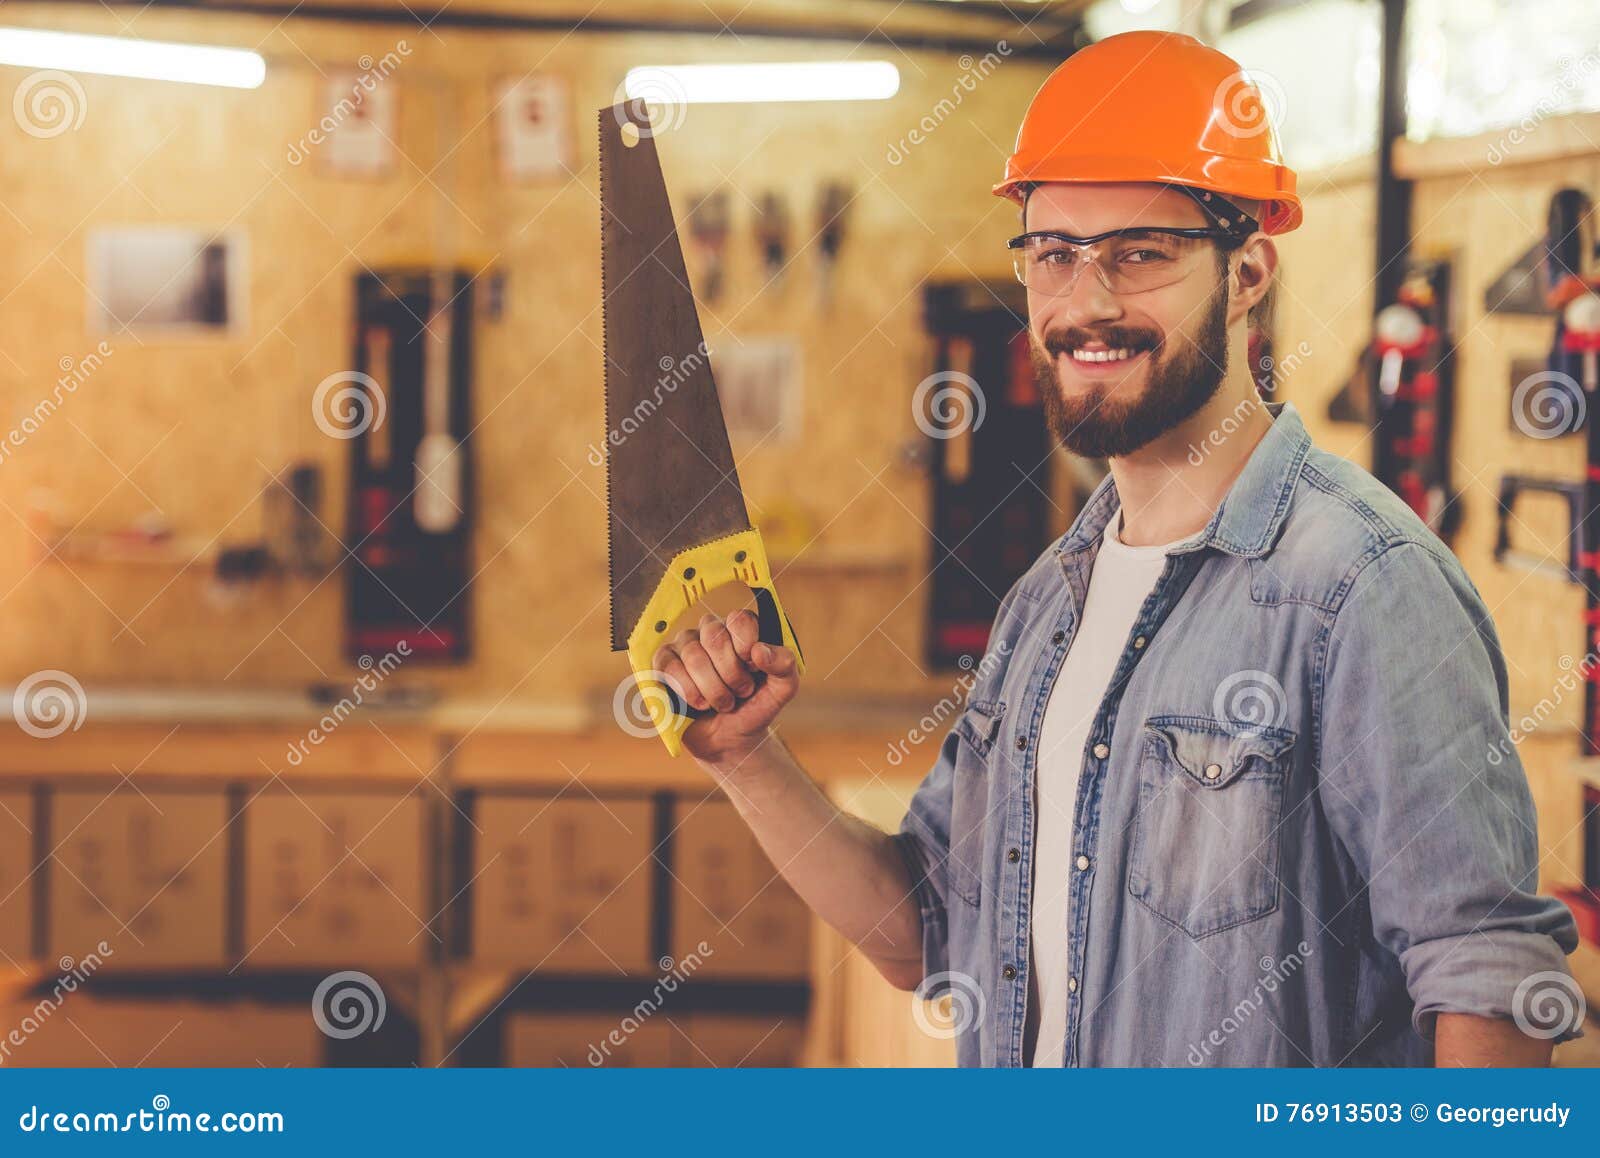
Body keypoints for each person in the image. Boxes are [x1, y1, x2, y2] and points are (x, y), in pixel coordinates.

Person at [652, 30, 1580, 1066]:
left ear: (1247, 274)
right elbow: (925, 936)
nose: (1088, 304)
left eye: (1139, 253)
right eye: (1053, 254)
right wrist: (747, 762)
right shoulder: (1047, 605)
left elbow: (1485, 975)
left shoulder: (1361, 588)